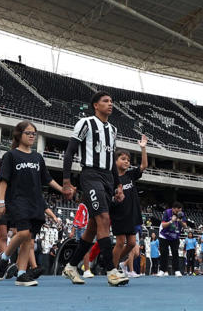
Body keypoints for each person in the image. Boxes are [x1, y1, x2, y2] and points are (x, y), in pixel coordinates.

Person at [61, 91, 128, 287]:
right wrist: (66, 181)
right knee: (104, 219)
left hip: (107, 178)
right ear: (95, 105)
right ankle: (111, 271)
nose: (110, 104)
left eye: (111, 101)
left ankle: (71, 266)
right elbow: (70, 152)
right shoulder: (85, 123)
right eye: (106, 101)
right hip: (90, 175)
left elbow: (112, 161)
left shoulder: (113, 130)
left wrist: (118, 185)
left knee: (92, 227)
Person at [0, 121, 65, 286]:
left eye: (34, 134)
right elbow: (4, 179)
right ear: (19, 135)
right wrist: (1, 201)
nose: (32, 136)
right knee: (23, 233)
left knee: (29, 239)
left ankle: (22, 274)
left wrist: (62, 189)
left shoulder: (38, 157)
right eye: (28, 133)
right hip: (18, 200)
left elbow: (47, 179)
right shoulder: (11, 155)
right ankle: (4, 258)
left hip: (35, 202)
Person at [111, 135, 148, 278]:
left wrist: (143, 148)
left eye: (128, 160)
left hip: (132, 214)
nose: (127, 161)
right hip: (119, 214)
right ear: (115, 161)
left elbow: (144, 166)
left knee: (132, 243)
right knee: (120, 242)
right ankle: (112, 269)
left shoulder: (130, 175)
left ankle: (113, 263)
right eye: (123, 159)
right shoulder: (112, 179)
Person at [158, 202, 185, 276]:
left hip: (175, 236)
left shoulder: (181, 214)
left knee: (175, 252)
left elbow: (185, 226)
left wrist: (180, 221)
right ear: (173, 209)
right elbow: (163, 225)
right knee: (164, 253)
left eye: (180, 211)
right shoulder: (167, 213)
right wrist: (171, 221)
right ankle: (162, 270)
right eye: (177, 211)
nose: (178, 212)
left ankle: (177, 270)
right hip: (164, 235)